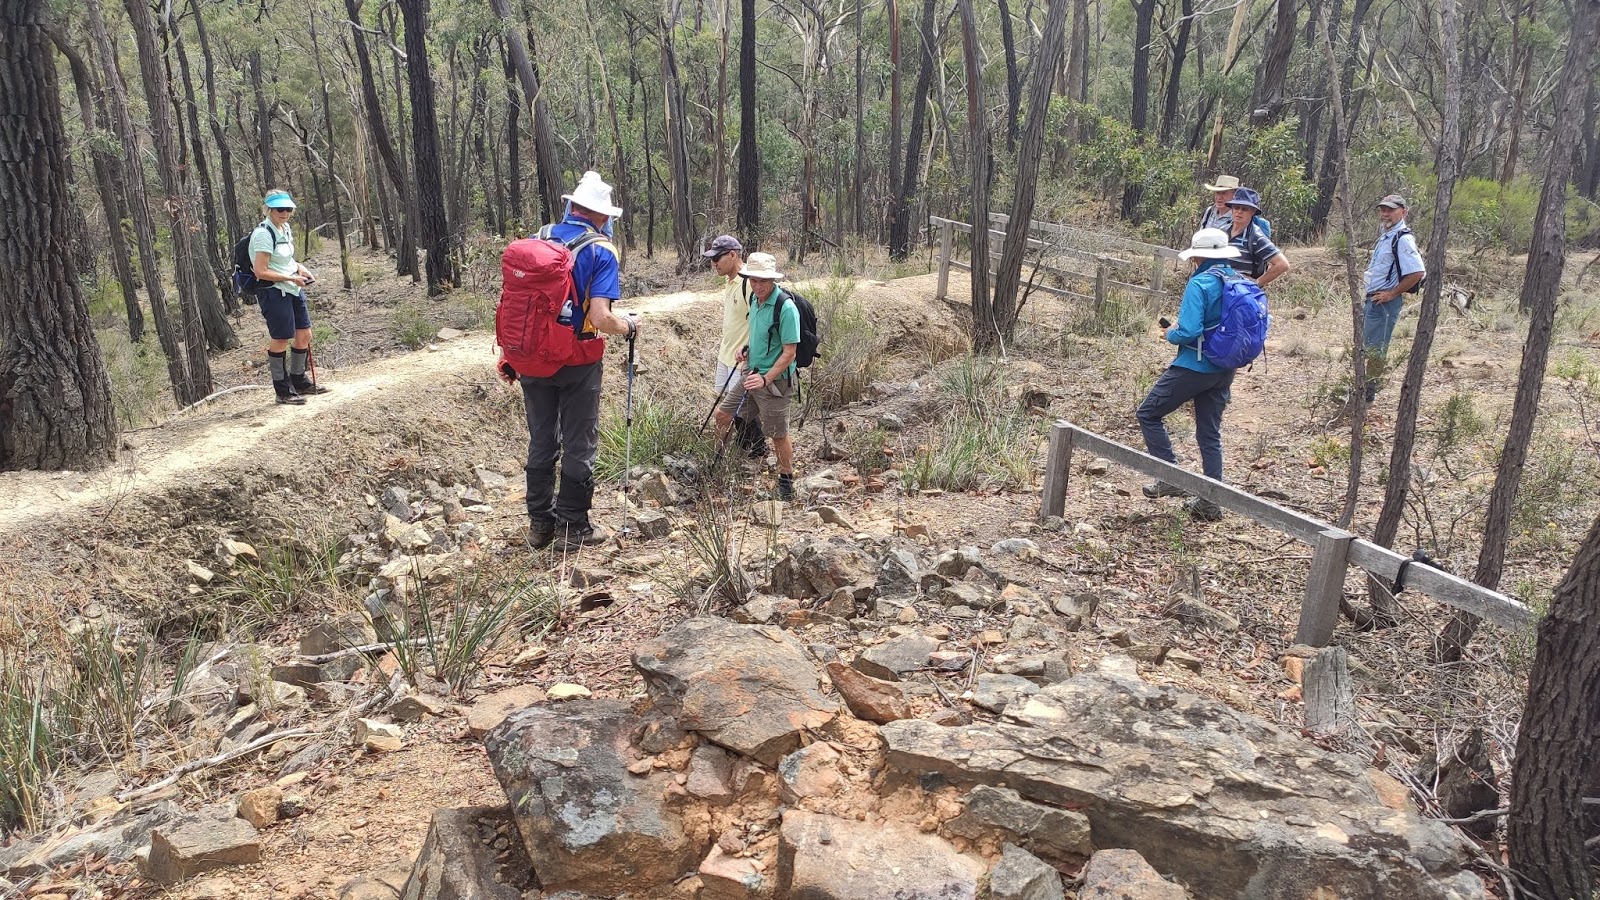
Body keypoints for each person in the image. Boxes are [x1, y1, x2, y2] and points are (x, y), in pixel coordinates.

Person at [519, 171, 639, 552]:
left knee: (541, 439)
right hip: (576, 358)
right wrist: (629, 326)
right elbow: (601, 317)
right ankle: (573, 527)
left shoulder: (540, 237)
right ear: (603, 216)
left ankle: (540, 524)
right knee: (579, 442)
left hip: (531, 356)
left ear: (572, 206)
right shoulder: (601, 249)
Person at [1137, 228, 1245, 522]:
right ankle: (1210, 502)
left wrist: (1170, 333)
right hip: (1225, 368)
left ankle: (1170, 475)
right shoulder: (1237, 280)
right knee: (1209, 433)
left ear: (1198, 255)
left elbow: (1189, 331)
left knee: (1148, 413)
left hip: (1194, 366)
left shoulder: (1201, 284)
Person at [715, 252, 798, 501]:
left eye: (762, 281)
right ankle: (719, 463)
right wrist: (746, 349)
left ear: (772, 280)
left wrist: (766, 379)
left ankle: (786, 479)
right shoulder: (755, 301)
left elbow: (789, 352)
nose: (757, 285)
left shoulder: (786, 307)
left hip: (774, 382)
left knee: (778, 433)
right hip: (751, 373)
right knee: (722, 414)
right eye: (753, 280)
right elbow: (758, 334)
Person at [251, 190, 327, 405]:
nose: (284, 213)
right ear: (269, 209)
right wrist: (292, 279)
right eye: (279, 209)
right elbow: (260, 271)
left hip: (293, 288)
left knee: (304, 334)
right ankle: (282, 390)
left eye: (288, 209)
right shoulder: (264, 234)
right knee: (281, 339)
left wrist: (301, 269)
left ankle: (299, 380)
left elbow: (288, 259)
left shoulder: (284, 229)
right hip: (274, 292)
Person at [703, 234, 768, 459]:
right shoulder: (730, 281)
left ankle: (755, 450)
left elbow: (763, 319)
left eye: (717, 258)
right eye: (711, 259)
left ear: (733, 255)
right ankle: (744, 449)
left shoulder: (749, 282)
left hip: (742, 358)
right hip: (726, 354)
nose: (713, 264)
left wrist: (750, 350)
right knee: (732, 405)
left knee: (740, 407)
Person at [1361, 194, 1426, 401]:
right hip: (1373, 299)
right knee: (1368, 345)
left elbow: (1417, 272)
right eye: (1383, 210)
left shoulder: (1403, 239)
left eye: (1390, 210)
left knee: (1376, 349)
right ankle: (1364, 389)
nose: (1385, 214)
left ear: (1404, 212)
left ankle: (1368, 394)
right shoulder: (1386, 234)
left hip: (1384, 304)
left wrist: (1392, 293)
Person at [1224, 187, 1289, 287]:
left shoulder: (1256, 237)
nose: (1239, 211)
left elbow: (1282, 264)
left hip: (1239, 294)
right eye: (1236, 207)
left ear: (1253, 212)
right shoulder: (1222, 231)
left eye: (1245, 209)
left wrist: (1255, 284)